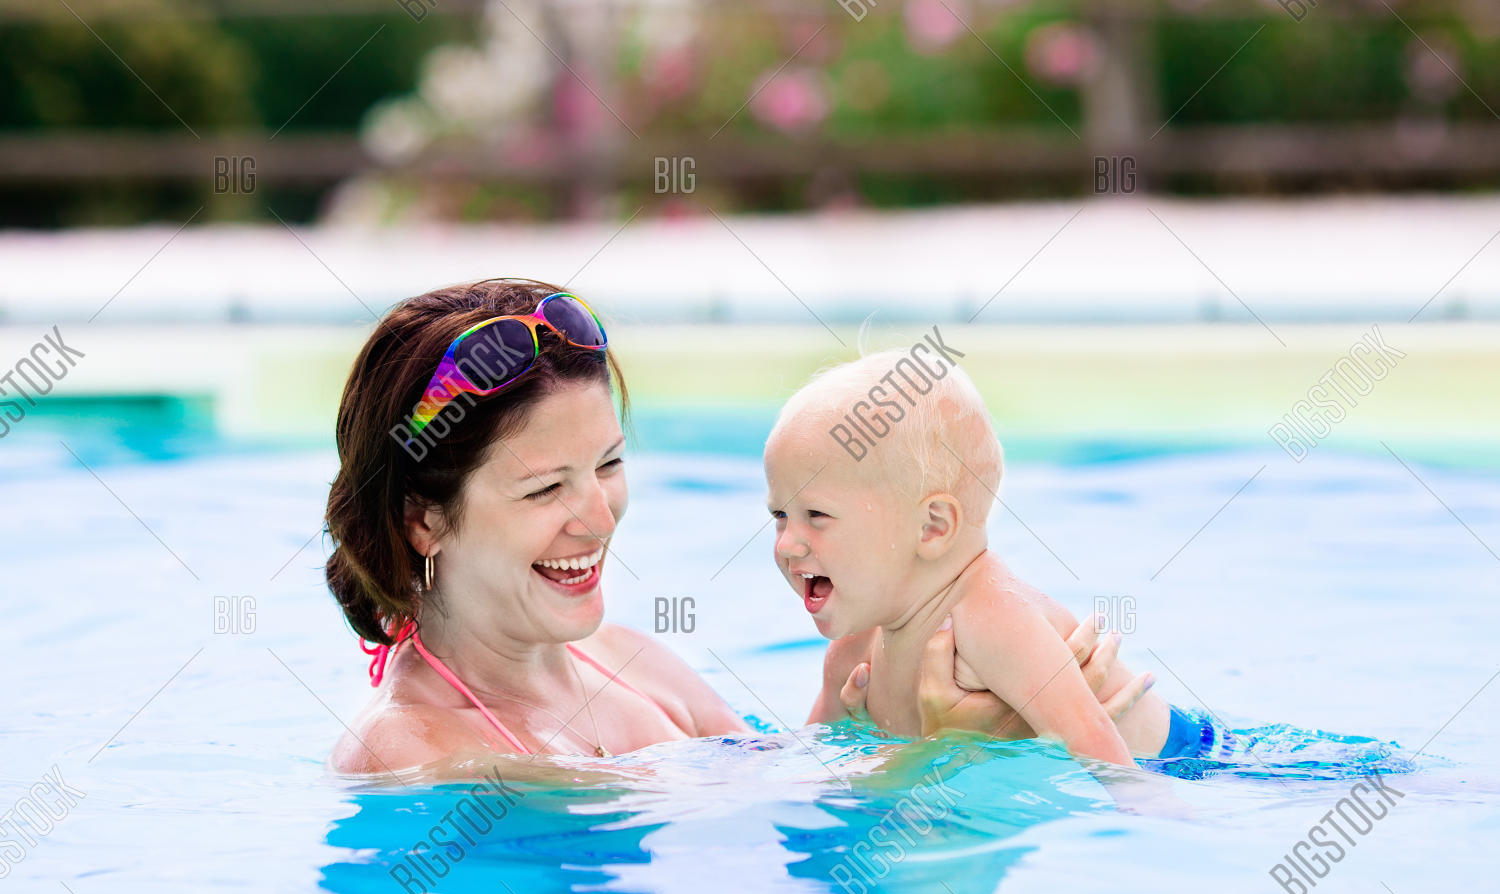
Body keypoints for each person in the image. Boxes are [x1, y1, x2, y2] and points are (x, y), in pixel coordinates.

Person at [323, 279, 1147, 778]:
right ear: (424, 519)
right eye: (545, 489)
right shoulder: (414, 759)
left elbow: (788, 788)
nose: (599, 515)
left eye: (609, 466)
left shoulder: (619, 657)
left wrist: (882, 708)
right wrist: (946, 754)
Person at [766, 348, 1234, 771]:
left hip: (1196, 763)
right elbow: (805, 763)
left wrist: (1155, 816)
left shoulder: (992, 618)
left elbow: (1098, 745)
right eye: (781, 515)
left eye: (817, 515)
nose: (788, 544)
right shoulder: (851, 655)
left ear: (932, 527)